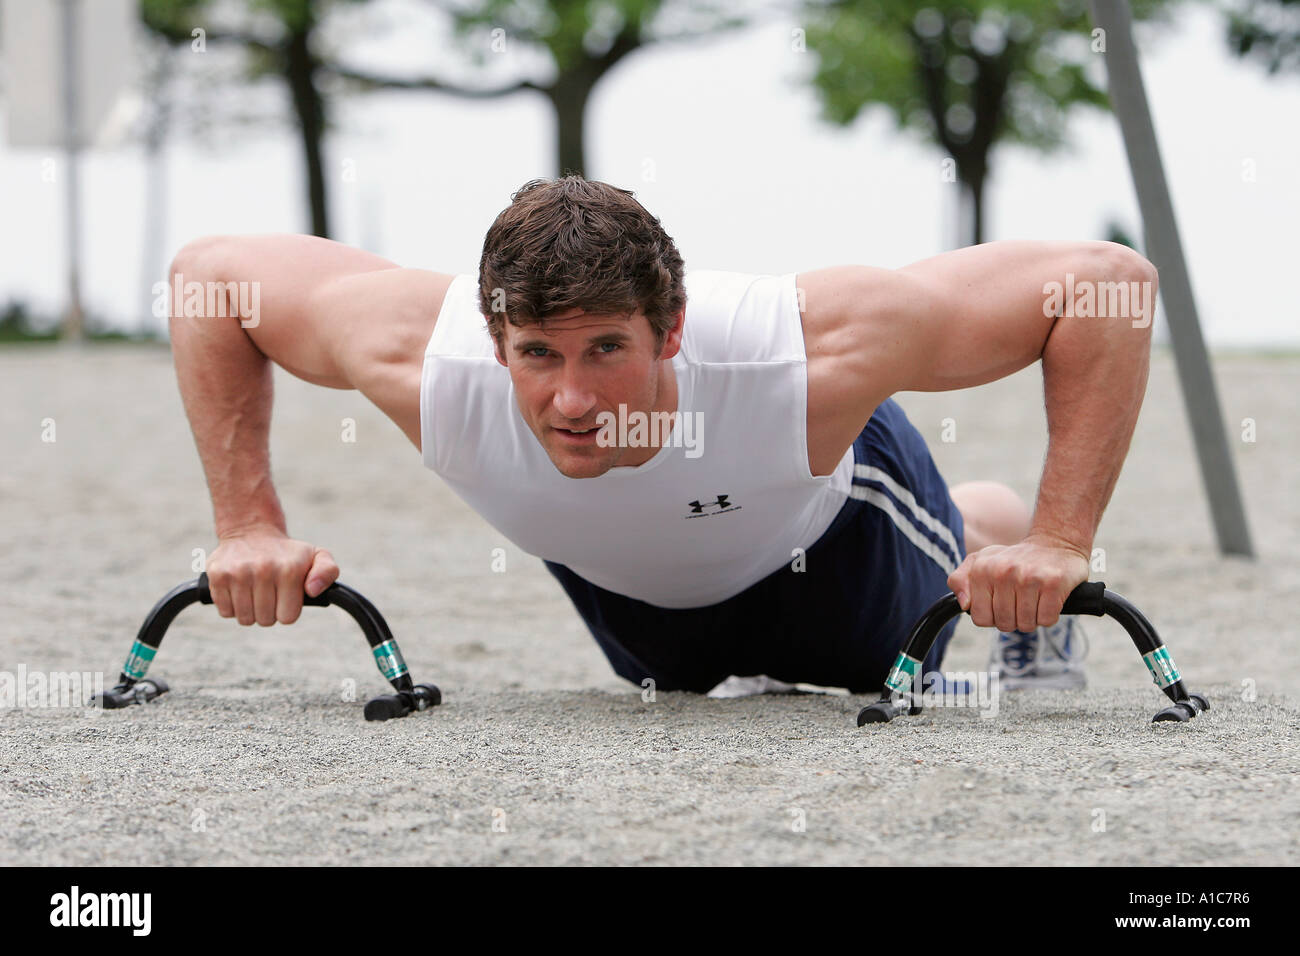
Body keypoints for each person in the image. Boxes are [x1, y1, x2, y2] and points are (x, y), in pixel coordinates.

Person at [167, 175, 1156, 697]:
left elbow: (1105, 288)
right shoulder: (423, 361)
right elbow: (211, 275)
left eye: (606, 348)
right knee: (667, 680)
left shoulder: (799, 354)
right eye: (537, 355)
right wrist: (248, 522)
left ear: (671, 327)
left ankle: (993, 521)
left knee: (895, 630)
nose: (572, 398)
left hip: (833, 547)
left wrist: (1060, 542)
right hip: (641, 610)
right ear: (494, 335)